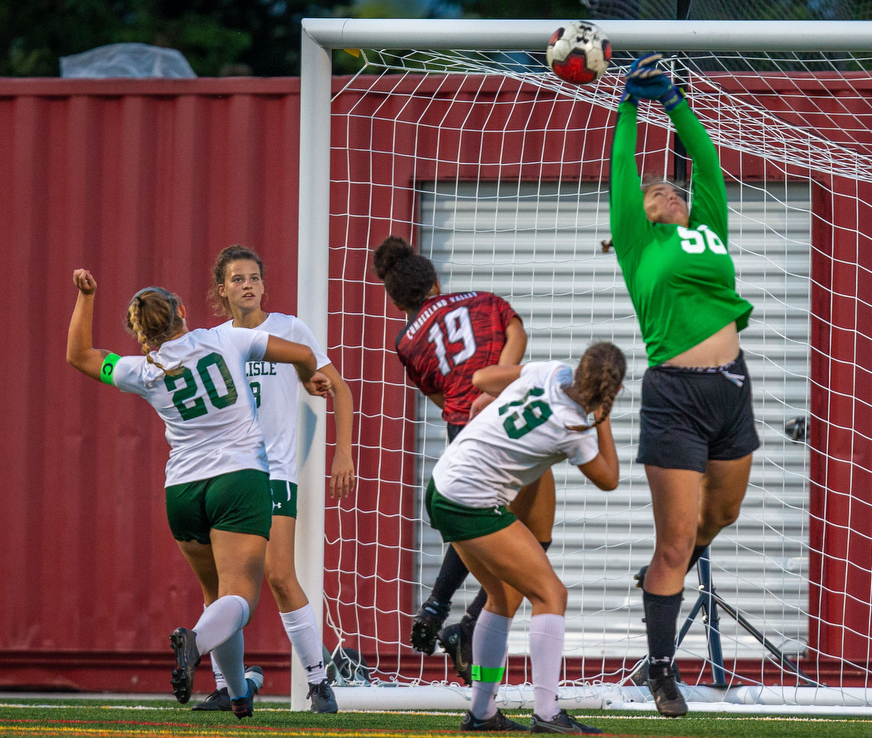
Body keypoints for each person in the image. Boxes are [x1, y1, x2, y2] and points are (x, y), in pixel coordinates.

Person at [66, 270, 328, 720]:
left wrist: (86, 296)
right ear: (182, 311)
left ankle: (239, 696)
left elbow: (80, 355)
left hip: (182, 492)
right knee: (240, 599)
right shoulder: (228, 339)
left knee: (217, 596)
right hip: (238, 481)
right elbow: (303, 354)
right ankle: (196, 642)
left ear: (140, 333)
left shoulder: (142, 370)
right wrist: (308, 378)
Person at [607, 54, 760, 718]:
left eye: (673, 188)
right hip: (674, 397)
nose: (668, 191)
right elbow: (622, 172)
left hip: (732, 389)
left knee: (720, 515)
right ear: (640, 215)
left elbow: (707, 163)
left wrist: (674, 102)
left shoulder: (708, 228)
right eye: (655, 193)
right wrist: (628, 107)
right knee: (673, 544)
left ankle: (658, 584)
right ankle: (663, 672)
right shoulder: (639, 244)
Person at [372, 235, 556, 685]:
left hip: (464, 429)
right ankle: (469, 624)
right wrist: (498, 387)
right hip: (507, 422)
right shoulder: (481, 300)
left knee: (480, 525)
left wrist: (473, 403)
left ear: (397, 302)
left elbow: (439, 396)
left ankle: (439, 605)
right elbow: (517, 332)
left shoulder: (406, 341)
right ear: (436, 281)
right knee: (534, 539)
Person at [187, 244, 356, 714]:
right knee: (220, 587)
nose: (248, 285)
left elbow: (339, 387)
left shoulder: (289, 329)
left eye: (254, 277)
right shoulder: (212, 340)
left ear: (263, 285)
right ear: (221, 290)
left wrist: (342, 454)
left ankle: (318, 682)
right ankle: (228, 687)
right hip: (226, 476)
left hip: (274, 471)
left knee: (280, 575)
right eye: (237, 278)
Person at [427, 342, 625, 734]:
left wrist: (493, 399)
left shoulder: (549, 371)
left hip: (443, 484)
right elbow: (609, 479)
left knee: (502, 597)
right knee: (552, 595)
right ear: (612, 392)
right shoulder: (574, 429)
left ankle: (482, 712)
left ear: (579, 368)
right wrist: (602, 418)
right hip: (470, 501)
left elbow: (481, 378)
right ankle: (547, 713)